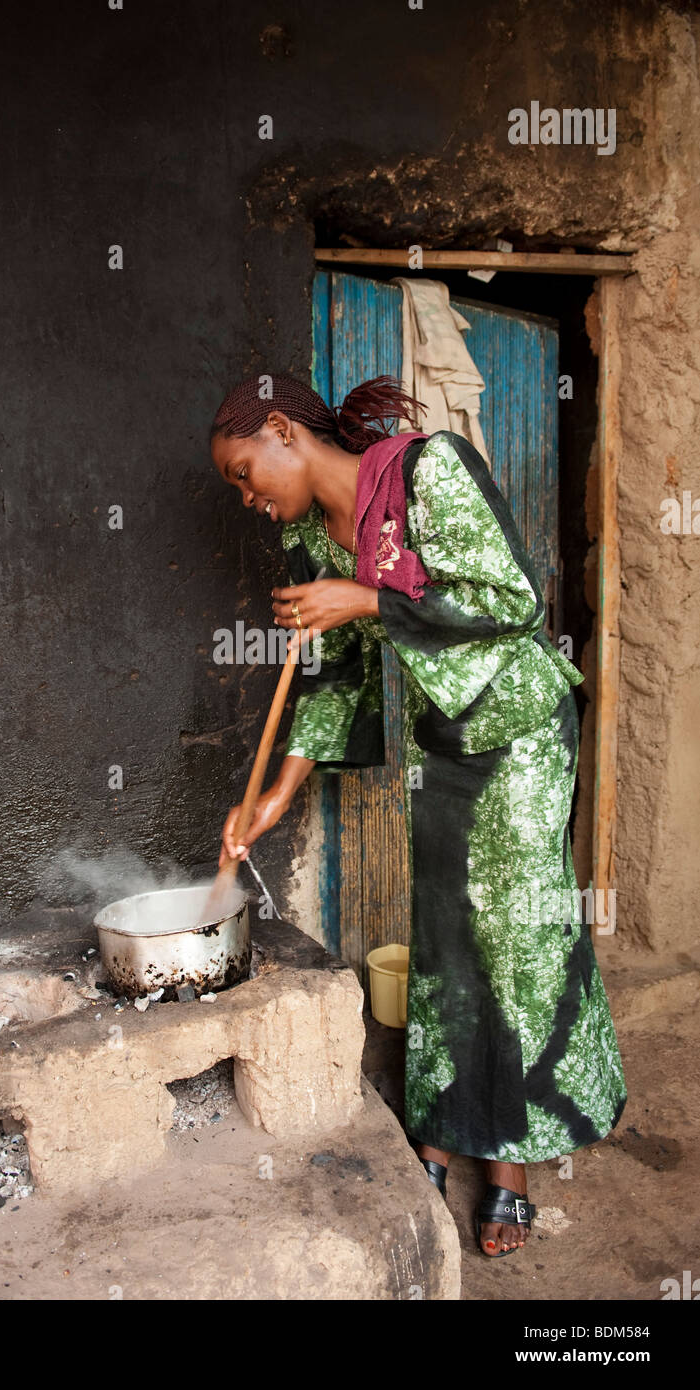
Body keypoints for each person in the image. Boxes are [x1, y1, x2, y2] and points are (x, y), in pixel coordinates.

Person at [209, 371, 627, 1257]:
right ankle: (440, 1132)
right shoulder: (314, 546)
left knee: (509, 936)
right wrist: (272, 797)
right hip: (444, 741)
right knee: (442, 938)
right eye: (237, 489)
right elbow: (338, 680)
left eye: (247, 472)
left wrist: (364, 598)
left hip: (515, 732)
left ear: (282, 430)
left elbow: (511, 601)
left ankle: (506, 1163)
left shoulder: (426, 469)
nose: (249, 497)